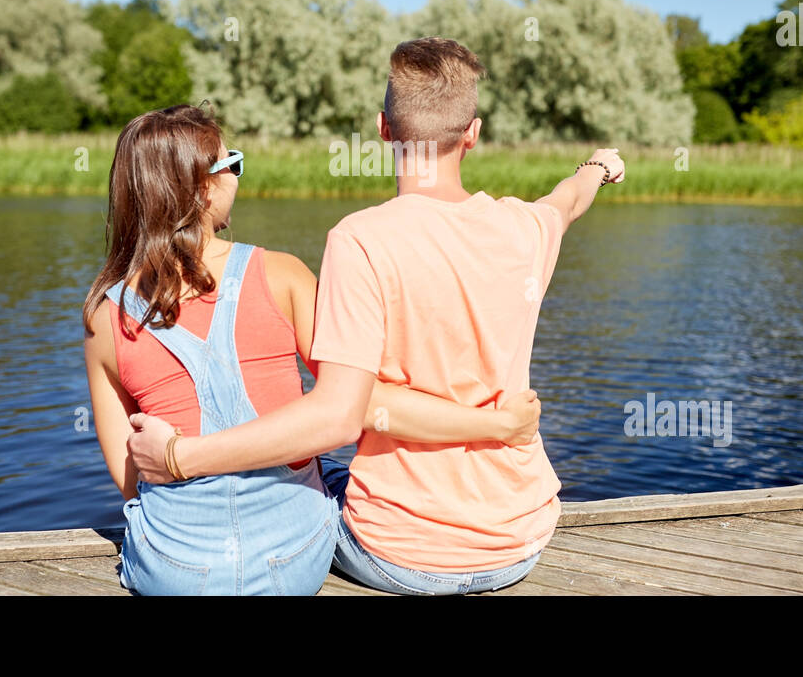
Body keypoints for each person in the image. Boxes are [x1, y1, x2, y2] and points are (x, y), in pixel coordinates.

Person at [129, 38, 625, 594]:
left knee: (299, 490)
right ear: (473, 134)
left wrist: (180, 456)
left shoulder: (359, 241)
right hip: (520, 539)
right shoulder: (524, 228)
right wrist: (600, 164)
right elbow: (568, 200)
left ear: (384, 130)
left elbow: (353, 408)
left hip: (399, 553)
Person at [83, 104, 541, 596]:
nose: (238, 176)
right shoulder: (282, 277)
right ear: (202, 187)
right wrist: (496, 424)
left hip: (174, 570)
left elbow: (130, 477)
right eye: (231, 164)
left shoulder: (105, 318)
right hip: (292, 560)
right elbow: (359, 405)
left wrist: (180, 460)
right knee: (346, 476)